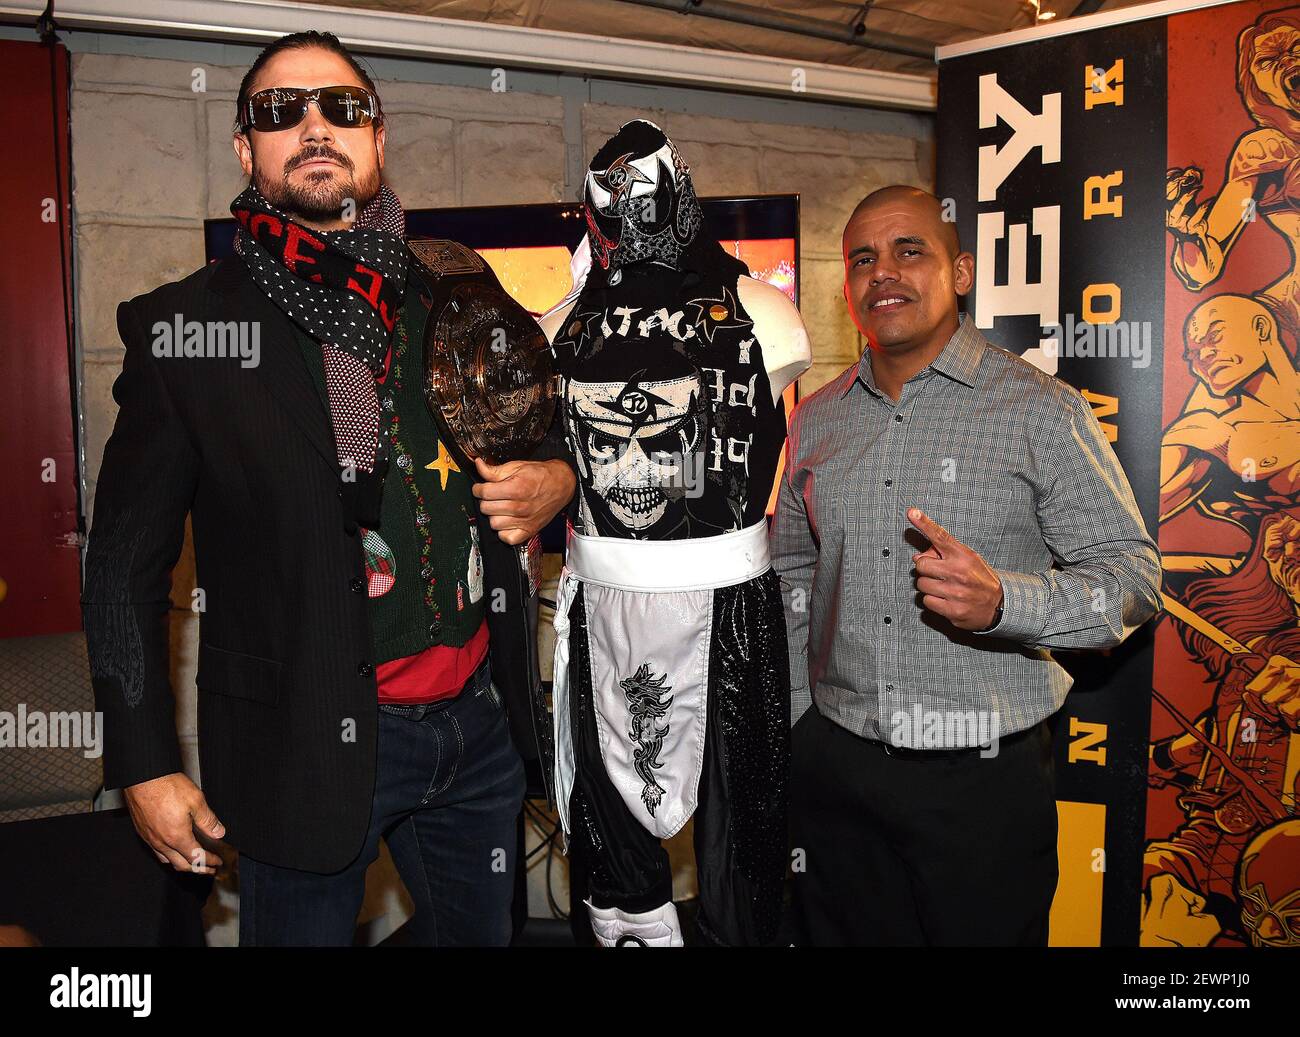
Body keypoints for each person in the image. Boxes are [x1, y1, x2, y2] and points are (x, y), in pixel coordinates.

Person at [81, 31, 576, 946]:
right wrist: (145, 766)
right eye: (281, 111)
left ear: (378, 139)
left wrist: (558, 477)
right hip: (301, 744)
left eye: (342, 108)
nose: (315, 126)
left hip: (479, 724)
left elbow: (541, 422)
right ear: (246, 149)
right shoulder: (184, 331)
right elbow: (119, 571)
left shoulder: (455, 283)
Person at [770, 185, 1162, 946]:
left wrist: (1005, 604)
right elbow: (792, 571)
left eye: (909, 250)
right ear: (847, 287)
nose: (883, 271)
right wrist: (799, 713)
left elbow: (1133, 576)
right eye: (862, 259)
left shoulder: (1039, 410)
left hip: (981, 783)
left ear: (960, 273)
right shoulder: (815, 419)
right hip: (836, 770)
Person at [539, 120, 811, 946]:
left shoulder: (763, 311)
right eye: (609, 202)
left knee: (746, 841)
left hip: (728, 596)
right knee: (610, 843)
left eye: (640, 194)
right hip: (602, 603)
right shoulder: (559, 324)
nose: (628, 215)